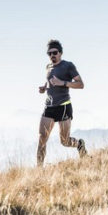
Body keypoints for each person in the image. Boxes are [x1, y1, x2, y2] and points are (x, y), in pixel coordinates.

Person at [37, 39, 87, 167]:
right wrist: (44, 88)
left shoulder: (68, 66)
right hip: (49, 106)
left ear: (61, 53)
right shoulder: (48, 67)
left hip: (64, 106)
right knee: (42, 138)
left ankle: (79, 144)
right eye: (49, 53)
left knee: (64, 141)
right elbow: (50, 82)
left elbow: (80, 84)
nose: (52, 55)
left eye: (55, 52)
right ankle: (38, 170)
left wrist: (63, 83)